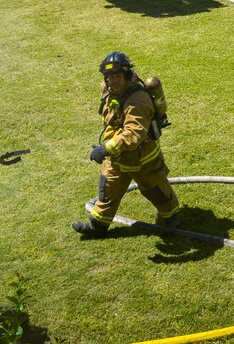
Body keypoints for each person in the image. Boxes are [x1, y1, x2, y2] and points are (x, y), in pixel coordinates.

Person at [73, 52, 180, 237]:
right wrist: (108, 147)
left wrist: (105, 148)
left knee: (155, 191)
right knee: (107, 189)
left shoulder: (138, 100)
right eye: (109, 77)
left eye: (117, 76)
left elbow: (134, 133)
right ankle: (97, 225)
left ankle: (171, 218)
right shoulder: (107, 90)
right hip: (117, 156)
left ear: (127, 76)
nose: (113, 81)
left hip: (142, 157)